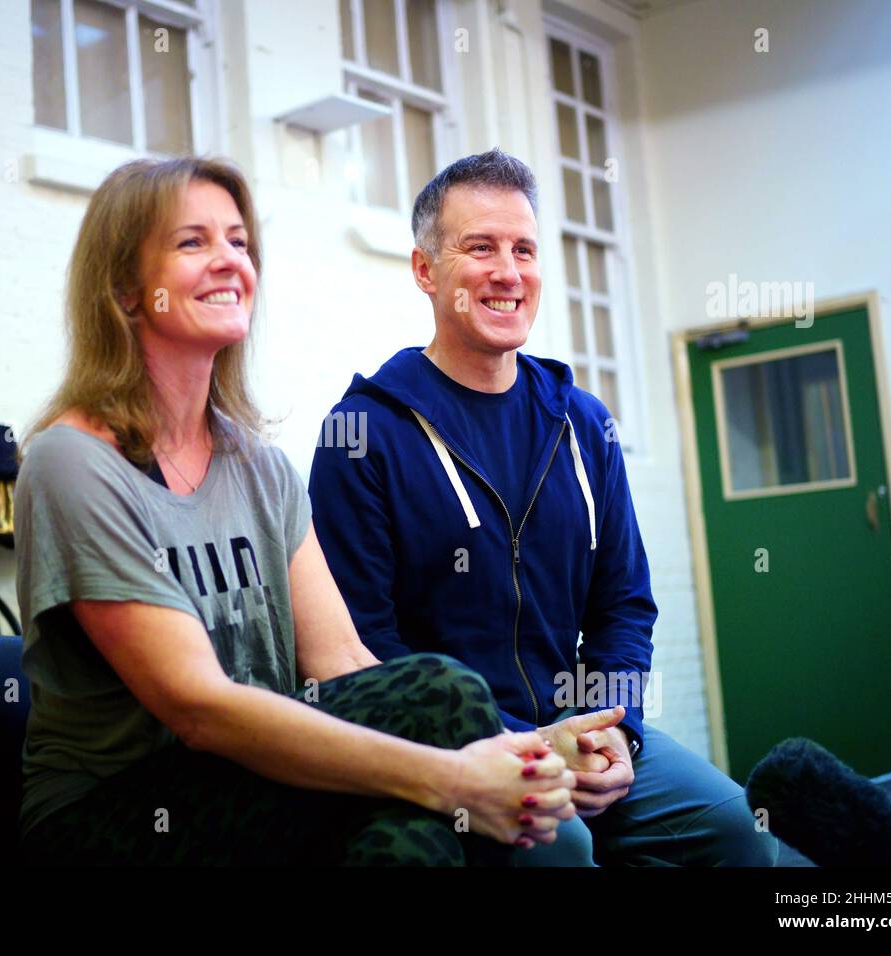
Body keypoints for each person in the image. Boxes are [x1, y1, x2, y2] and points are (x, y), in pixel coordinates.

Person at [13, 155, 587, 866]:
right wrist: (454, 778)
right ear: (128, 289)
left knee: (410, 833)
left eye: (239, 242)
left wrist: (520, 751)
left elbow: (343, 665)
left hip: (257, 783)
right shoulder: (71, 462)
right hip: (110, 818)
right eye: (193, 242)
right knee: (444, 699)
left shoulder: (260, 467)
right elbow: (198, 709)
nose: (228, 261)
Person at [308, 149, 780, 867]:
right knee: (558, 845)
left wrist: (614, 732)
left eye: (524, 250)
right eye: (480, 248)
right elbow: (368, 649)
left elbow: (624, 605)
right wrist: (511, 744)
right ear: (425, 271)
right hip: (458, 749)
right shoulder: (364, 435)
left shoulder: (582, 423)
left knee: (734, 827)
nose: (508, 272)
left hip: (580, 728)